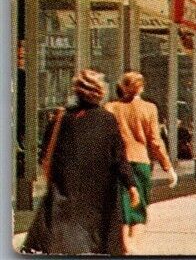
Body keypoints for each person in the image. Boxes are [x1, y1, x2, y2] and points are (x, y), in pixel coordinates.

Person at [21, 70, 136, 256]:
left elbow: (46, 153)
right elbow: (119, 156)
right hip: (99, 195)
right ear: (100, 92)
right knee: (95, 244)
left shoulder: (62, 118)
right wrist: (131, 184)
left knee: (65, 242)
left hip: (66, 191)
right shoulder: (107, 119)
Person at [103, 72, 178, 244]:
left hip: (117, 163)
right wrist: (168, 167)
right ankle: (133, 247)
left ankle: (124, 247)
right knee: (138, 210)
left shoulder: (110, 107)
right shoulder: (150, 108)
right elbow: (155, 141)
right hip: (141, 161)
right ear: (142, 88)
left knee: (122, 210)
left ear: (122, 87)